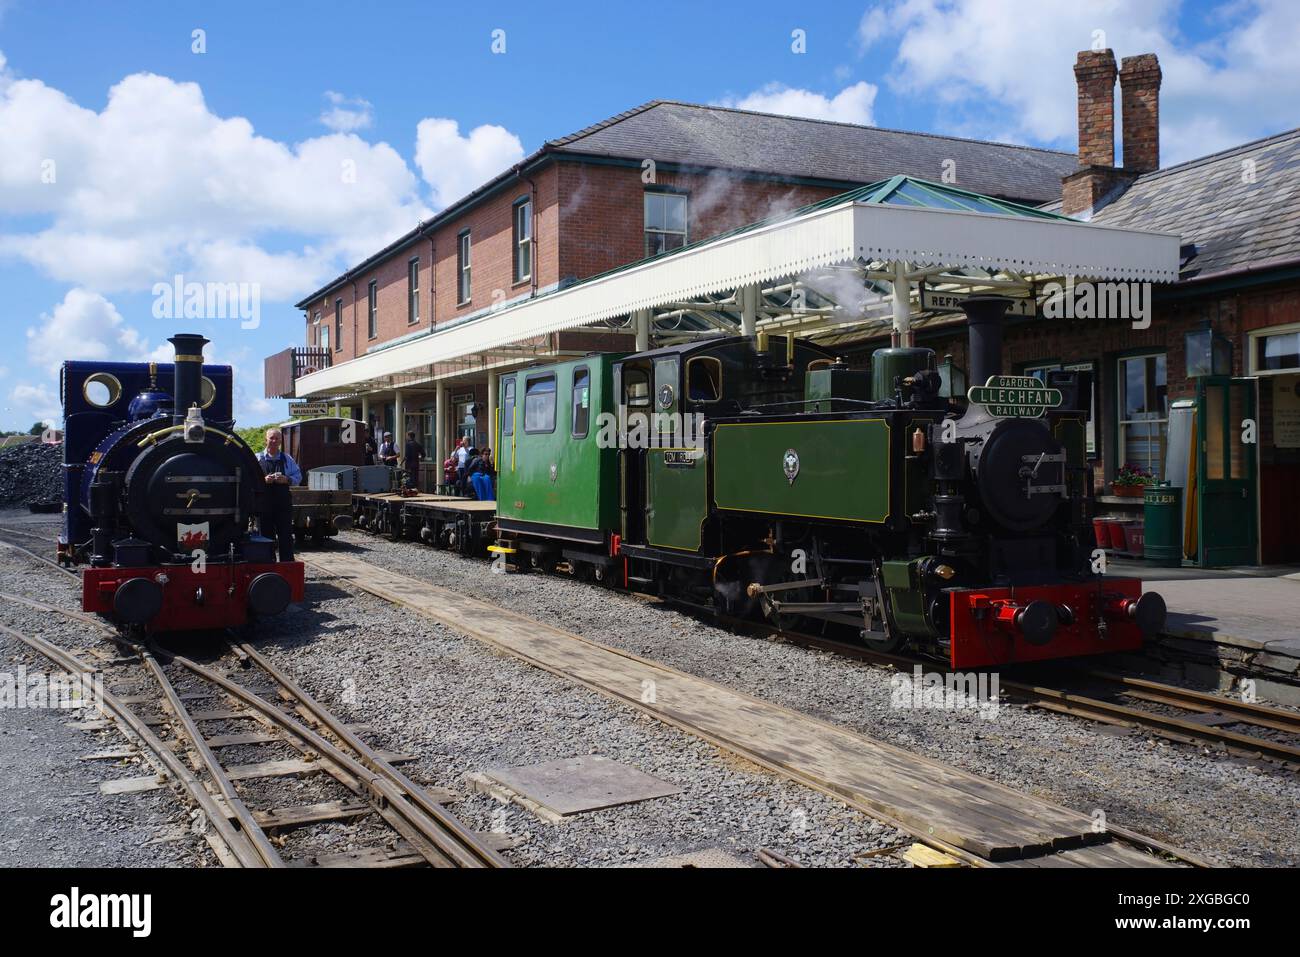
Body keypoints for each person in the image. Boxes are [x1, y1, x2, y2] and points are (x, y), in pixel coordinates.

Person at [257, 427, 302, 562]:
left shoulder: (287, 459)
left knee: (286, 535)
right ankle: (267, 563)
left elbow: (298, 476)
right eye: (271, 438)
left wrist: (287, 479)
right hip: (264, 504)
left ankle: (287, 564)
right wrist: (263, 480)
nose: (274, 441)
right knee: (265, 535)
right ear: (266, 440)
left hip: (283, 504)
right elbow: (250, 479)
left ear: (281, 441)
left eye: (277, 438)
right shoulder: (257, 458)